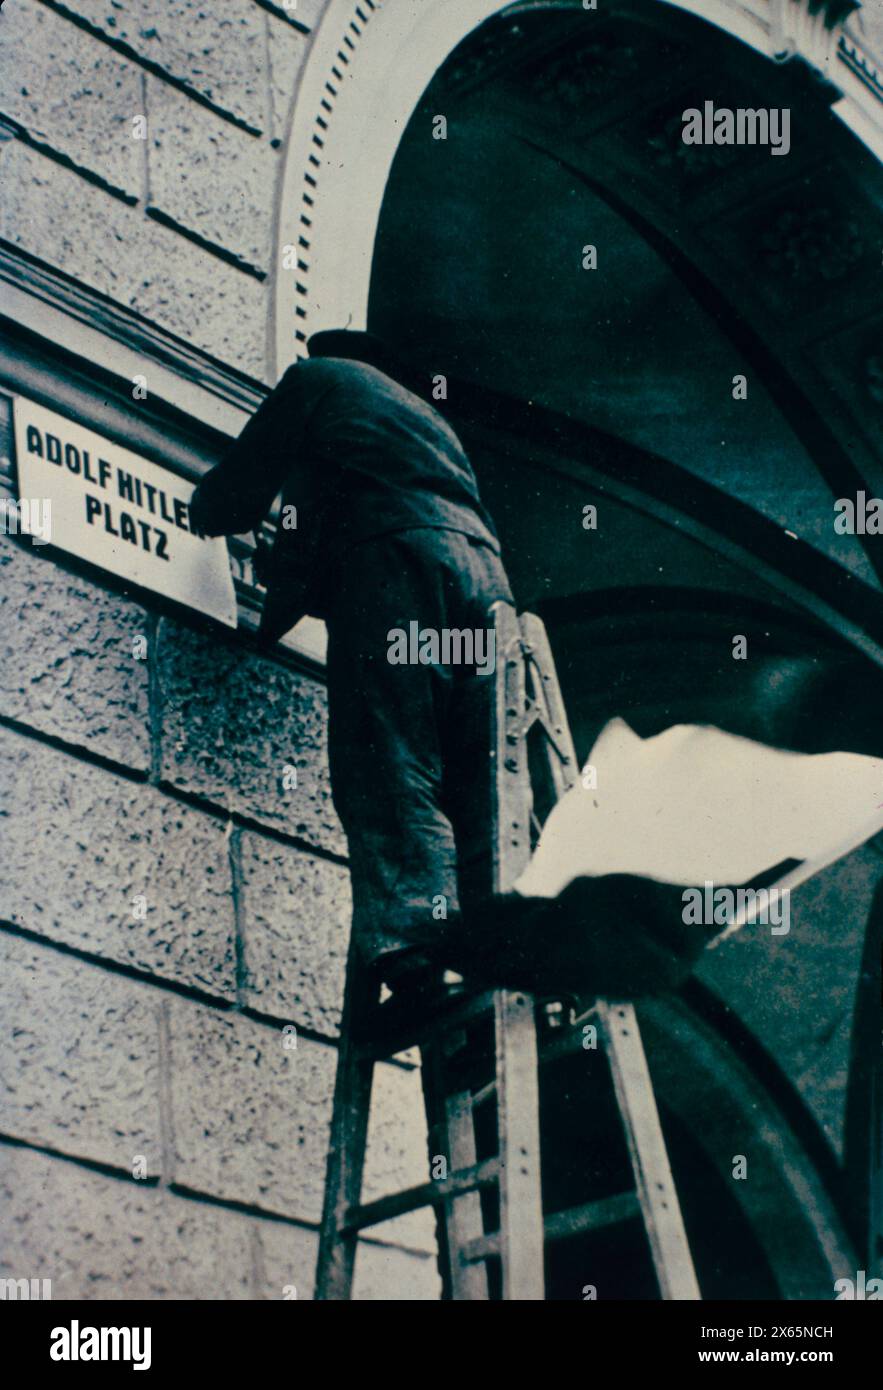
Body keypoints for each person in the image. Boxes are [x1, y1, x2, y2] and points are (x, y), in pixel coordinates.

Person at [189, 329, 514, 997]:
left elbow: (245, 486)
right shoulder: (426, 423)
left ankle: (414, 940)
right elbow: (314, 526)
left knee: (388, 752)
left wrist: (203, 510)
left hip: (400, 561)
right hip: (486, 585)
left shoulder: (319, 380)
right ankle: (502, 946)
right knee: (474, 775)